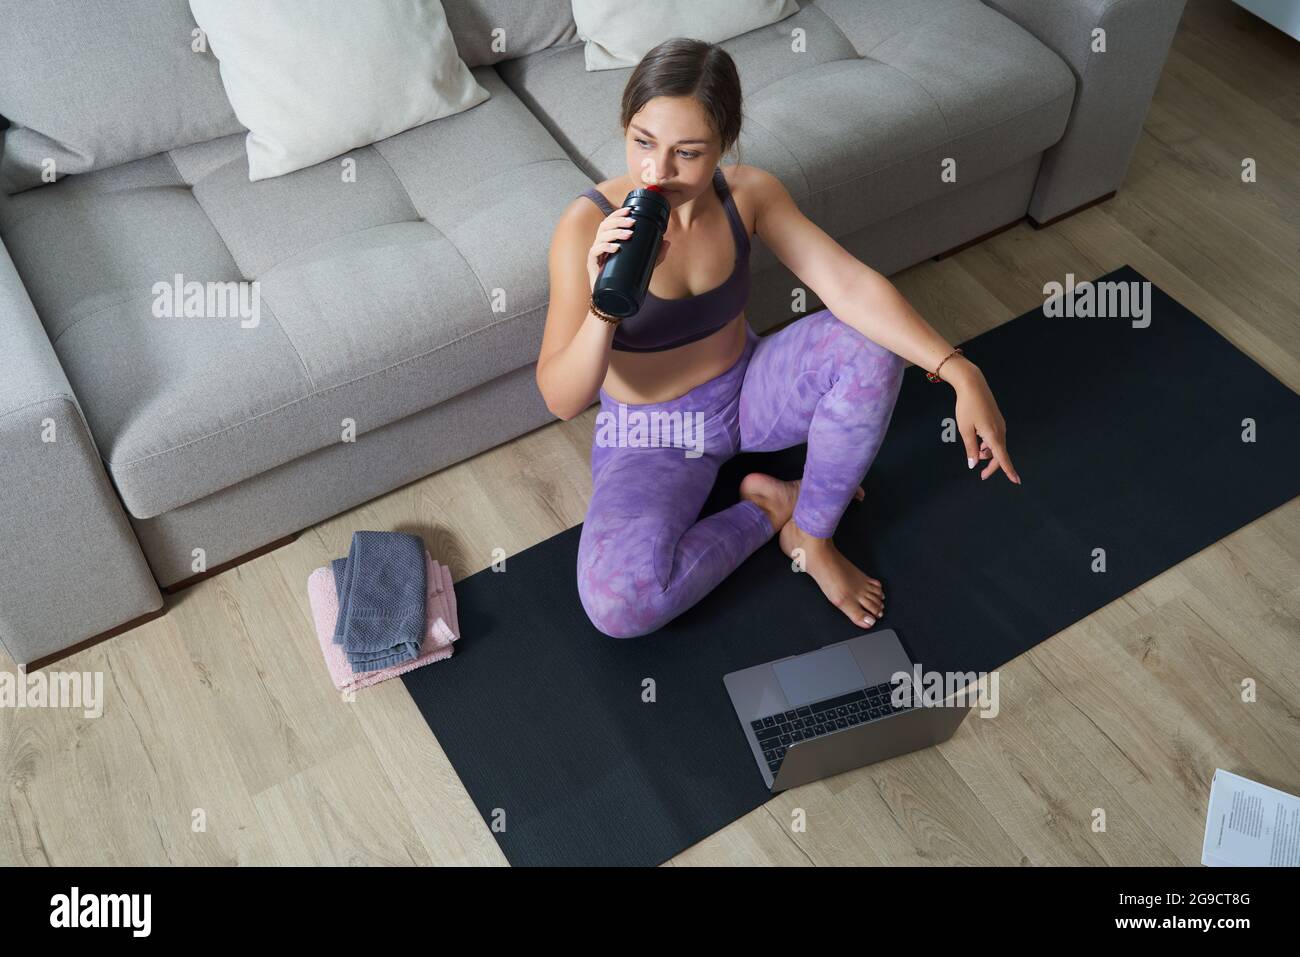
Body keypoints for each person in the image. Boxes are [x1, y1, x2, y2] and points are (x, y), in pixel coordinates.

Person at [537, 38, 1019, 639]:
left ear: (724, 145)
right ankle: (769, 507)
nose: (656, 172)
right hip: (650, 432)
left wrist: (958, 370)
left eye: (687, 153)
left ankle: (813, 536)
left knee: (868, 346)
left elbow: (847, 284)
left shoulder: (749, 195)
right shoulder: (585, 225)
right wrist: (604, 303)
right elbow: (560, 399)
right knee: (621, 606)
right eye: (642, 142)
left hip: (746, 389)